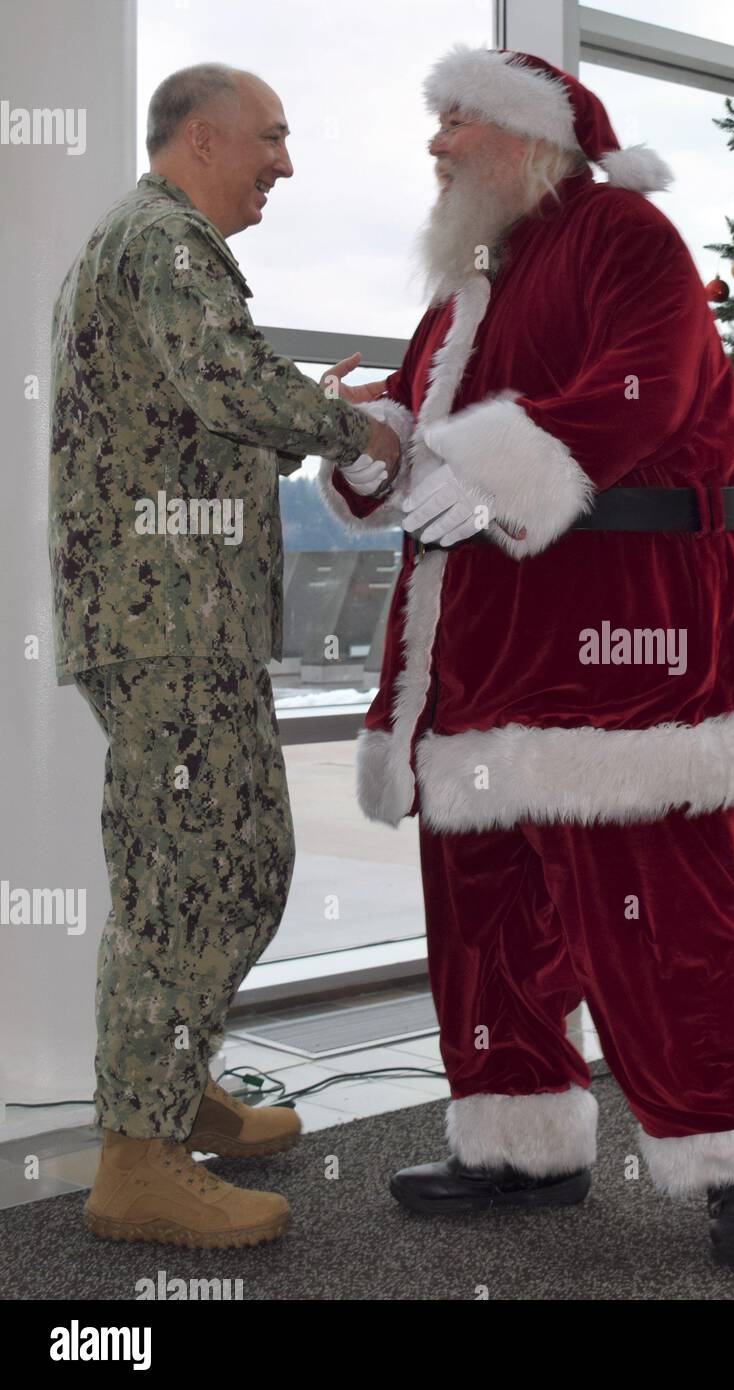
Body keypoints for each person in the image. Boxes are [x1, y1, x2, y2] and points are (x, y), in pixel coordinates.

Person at [319, 45, 734, 1268]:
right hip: (483, 656)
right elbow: (422, 422)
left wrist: (485, 467)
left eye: (455, 123)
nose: (434, 147)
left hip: (628, 659)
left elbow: (644, 392)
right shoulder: (473, 275)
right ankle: (519, 1142)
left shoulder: (627, 237)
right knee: (484, 915)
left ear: (529, 137)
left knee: (654, 919)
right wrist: (373, 437)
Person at [49, 62, 400, 1250]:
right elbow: (226, 379)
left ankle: (168, 1094)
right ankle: (137, 1161)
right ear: (204, 138)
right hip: (169, 625)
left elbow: (195, 410)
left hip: (170, 618)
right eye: (275, 140)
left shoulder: (142, 241)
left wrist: (300, 408)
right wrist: (361, 426)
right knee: (202, 867)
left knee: (201, 863)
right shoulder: (169, 242)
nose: (287, 166)